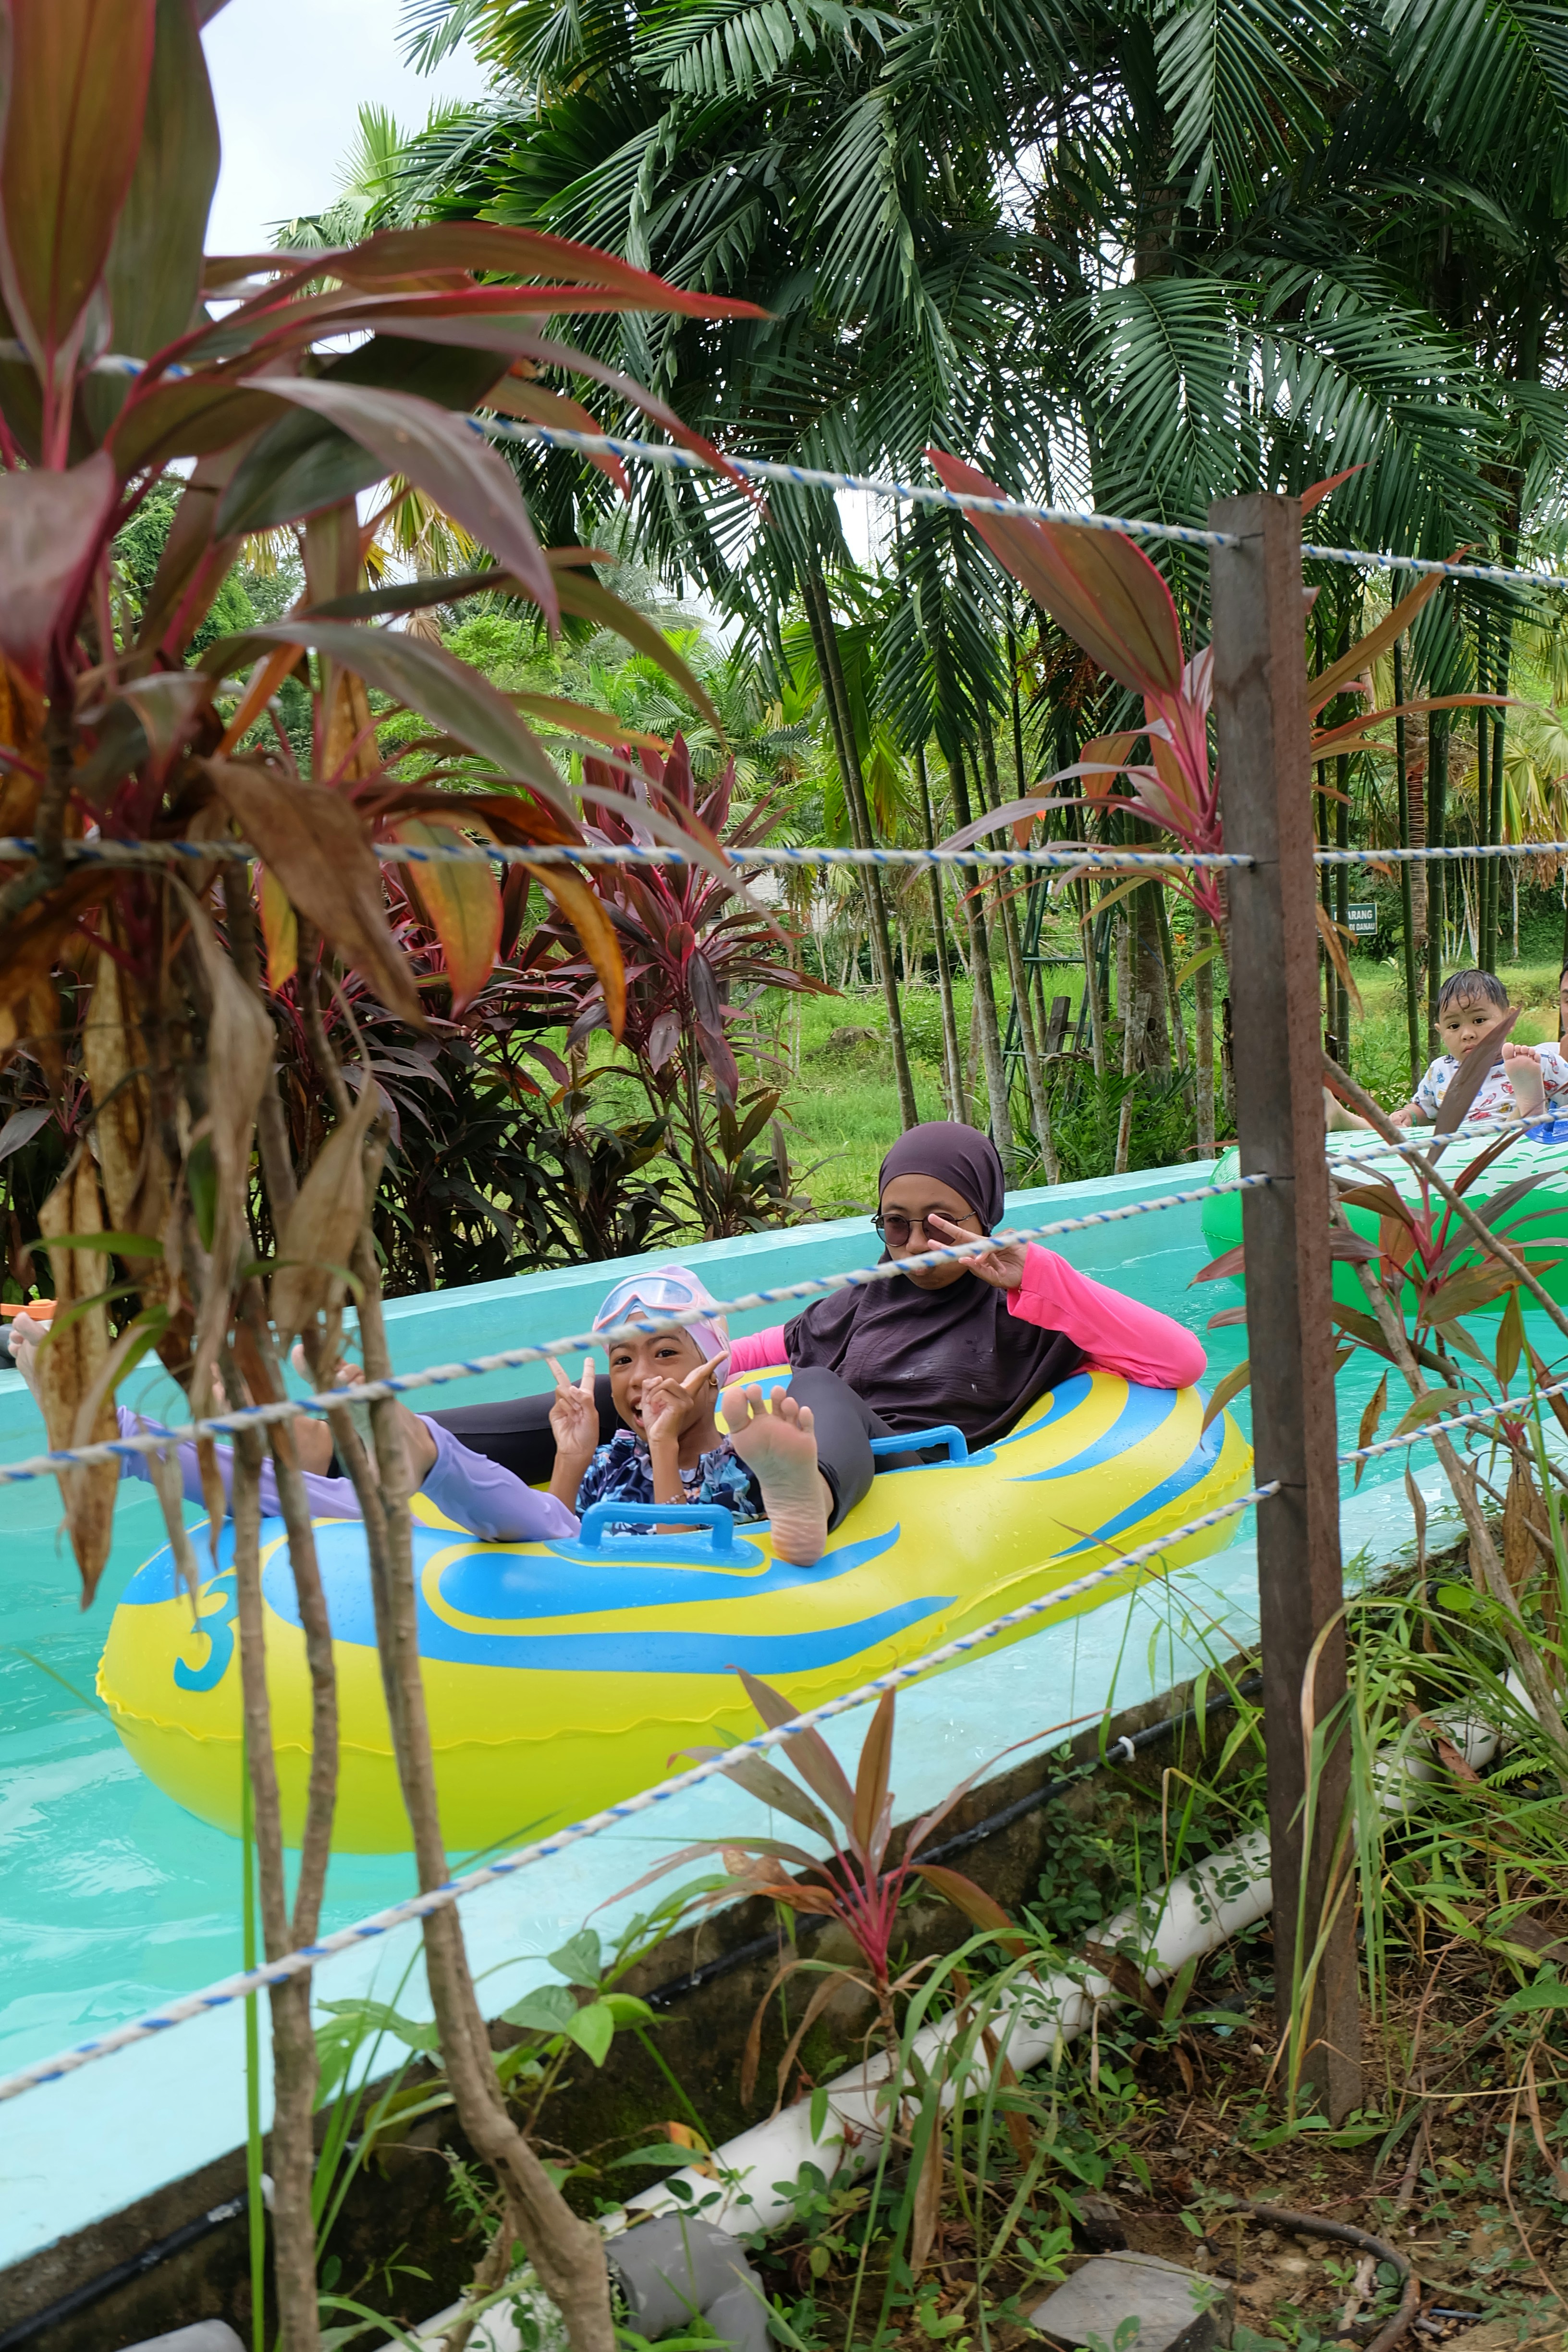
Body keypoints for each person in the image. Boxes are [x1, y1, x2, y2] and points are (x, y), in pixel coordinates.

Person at [428, 1123, 1206, 1535]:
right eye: (895, 1224)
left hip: (898, 1468)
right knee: (633, 1386)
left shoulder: (1028, 1309)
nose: (915, 1245)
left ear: (984, 1217)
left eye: (942, 1223)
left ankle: (811, 1503)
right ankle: (411, 1440)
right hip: (803, 1440)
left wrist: (1037, 1274)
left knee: (817, 1384)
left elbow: (1179, 1360)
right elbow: (744, 1356)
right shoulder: (861, 1301)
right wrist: (666, 1371)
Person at [6, 1309, 579, 1544]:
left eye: (624, 1358)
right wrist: (573, 1458)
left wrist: (582, 1458)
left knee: (537, 1521)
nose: (627, 1376)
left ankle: (389, 1449)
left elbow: (571, 1530)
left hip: (579, 1541)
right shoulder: (611, 1438)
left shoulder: (630, 1453)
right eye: (620, 1360)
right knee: (344, 1502)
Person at [545, 1266, 829, 1563]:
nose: (639, 1377)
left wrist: (663, 1446)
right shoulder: (608, 1465)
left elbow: (682, 1572)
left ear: (713, 1375)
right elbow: (548, 1559)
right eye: (623, 1359)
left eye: (665, 1353)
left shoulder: (749, 1471)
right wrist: (570, 1457)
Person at [1326, 969, 1568, 1133]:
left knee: (1513, 1130)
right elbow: (1425, 1109)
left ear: (1509, 1019)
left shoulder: (1536, 1060)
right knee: (1397, 1135)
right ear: (1440, 1031)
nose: (1467, 1034)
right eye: (1454, 1026)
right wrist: (1408, 1115)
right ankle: (1342, 1118)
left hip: (1510, 1146)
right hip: (1454, 1152)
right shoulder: (1441, 1070)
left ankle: (1527, 1103)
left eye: (1479, 1020)